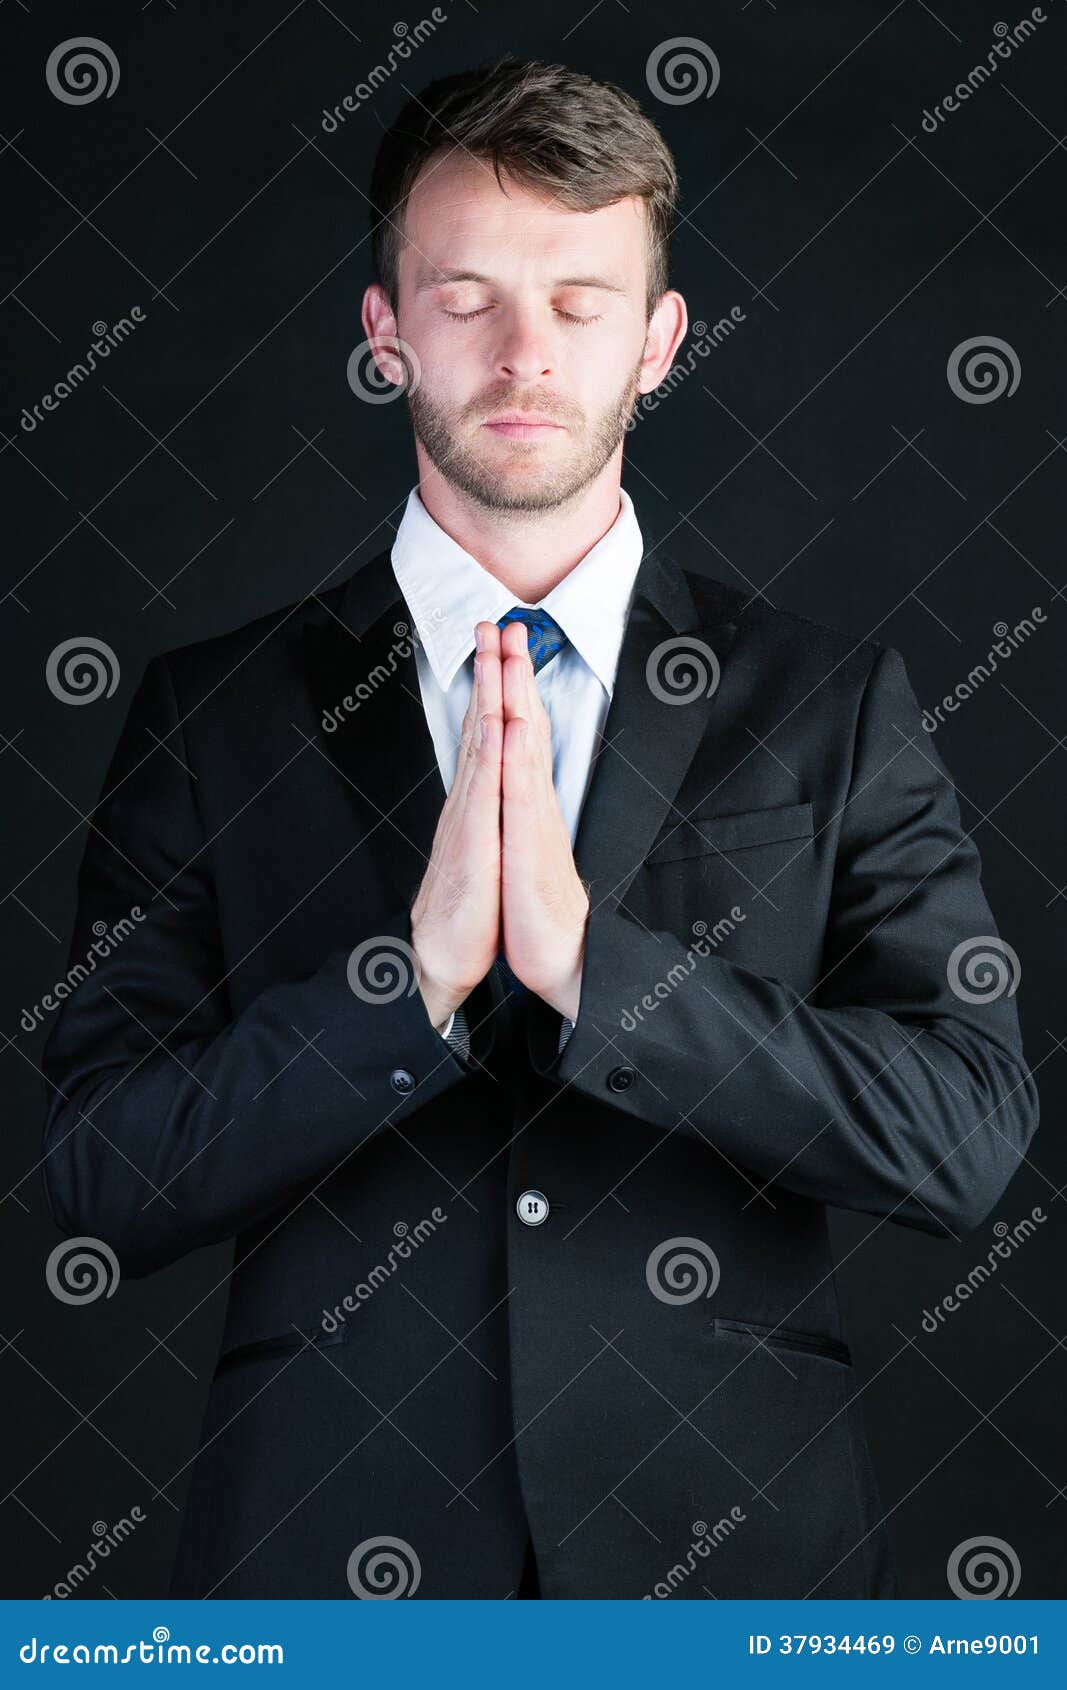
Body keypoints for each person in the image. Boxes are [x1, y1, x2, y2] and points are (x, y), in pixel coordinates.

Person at [41, 56, 1038, 1600]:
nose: (524, 354)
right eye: (465, 298)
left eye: (581, 304)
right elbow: (103, 1168)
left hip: (733, 1571)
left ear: (659, 340)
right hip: (320, 1567)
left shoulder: (833, 702)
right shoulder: (210, 711)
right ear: (385, 332)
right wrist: (409, 979)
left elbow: (967, 1131)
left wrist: (604, 974)